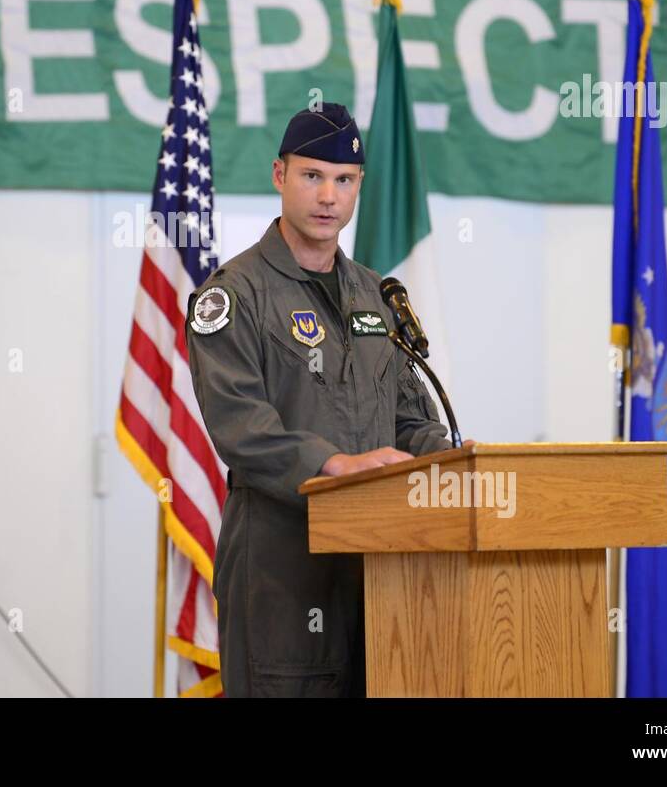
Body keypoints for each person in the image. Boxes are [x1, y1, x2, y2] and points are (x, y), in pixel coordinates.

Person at [185, 101, 464, 698]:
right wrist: (335, 466)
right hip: (284, 570)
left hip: (385, 567)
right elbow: (241, 426)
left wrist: (455, 463)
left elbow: (410, 415)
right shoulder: (233, 295)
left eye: (344, 180)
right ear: (280, 175)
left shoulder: (377, 294)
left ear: (359, 184)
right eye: (313, 176)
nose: (328, 196)